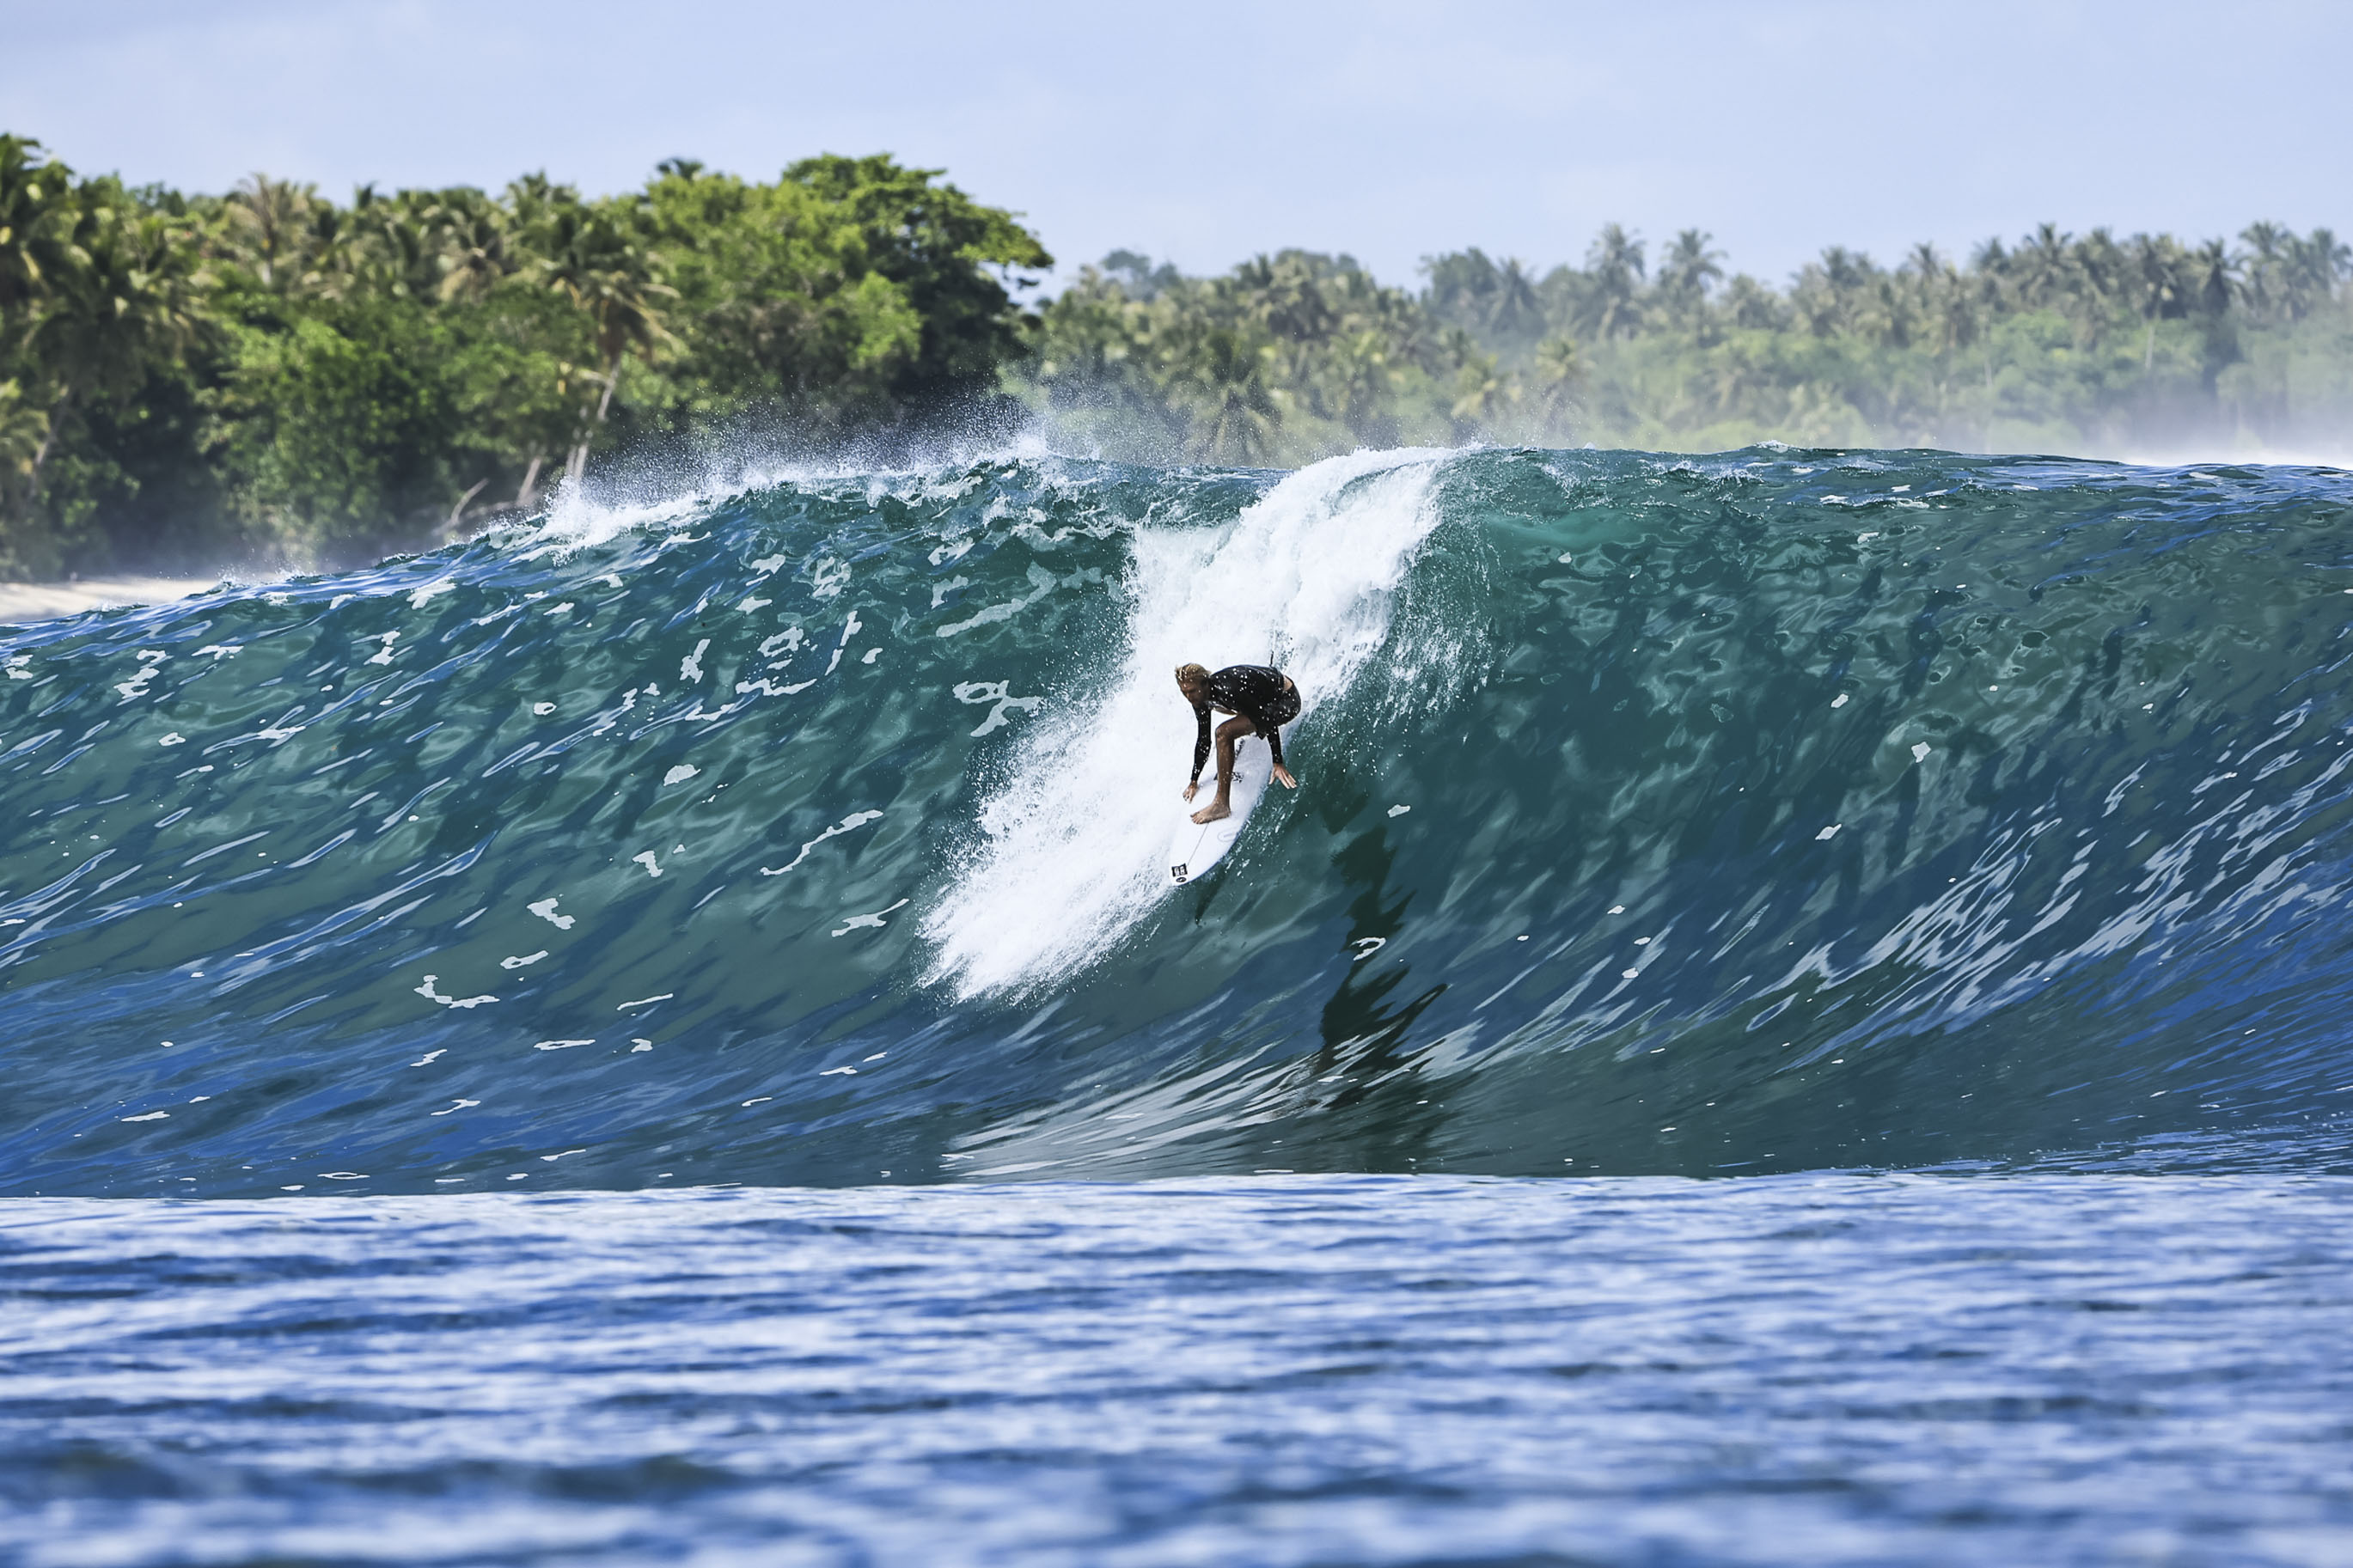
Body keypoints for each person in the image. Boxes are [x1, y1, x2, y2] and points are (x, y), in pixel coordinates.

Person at [1176, 662, 1299, 824]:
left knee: (1223, 733)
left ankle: (1221, 804)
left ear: (1205, 683)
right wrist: (1194, 780)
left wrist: (1277, 762)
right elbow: (1203, 739)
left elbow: (1267, 718)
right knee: (1230, 719)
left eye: (1191, 691)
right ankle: (1250, 718)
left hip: (1286, 701)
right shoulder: (1200, 698)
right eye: (1184, 692)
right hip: (1265, 697)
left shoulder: (1228, 689)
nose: (1189, 697)